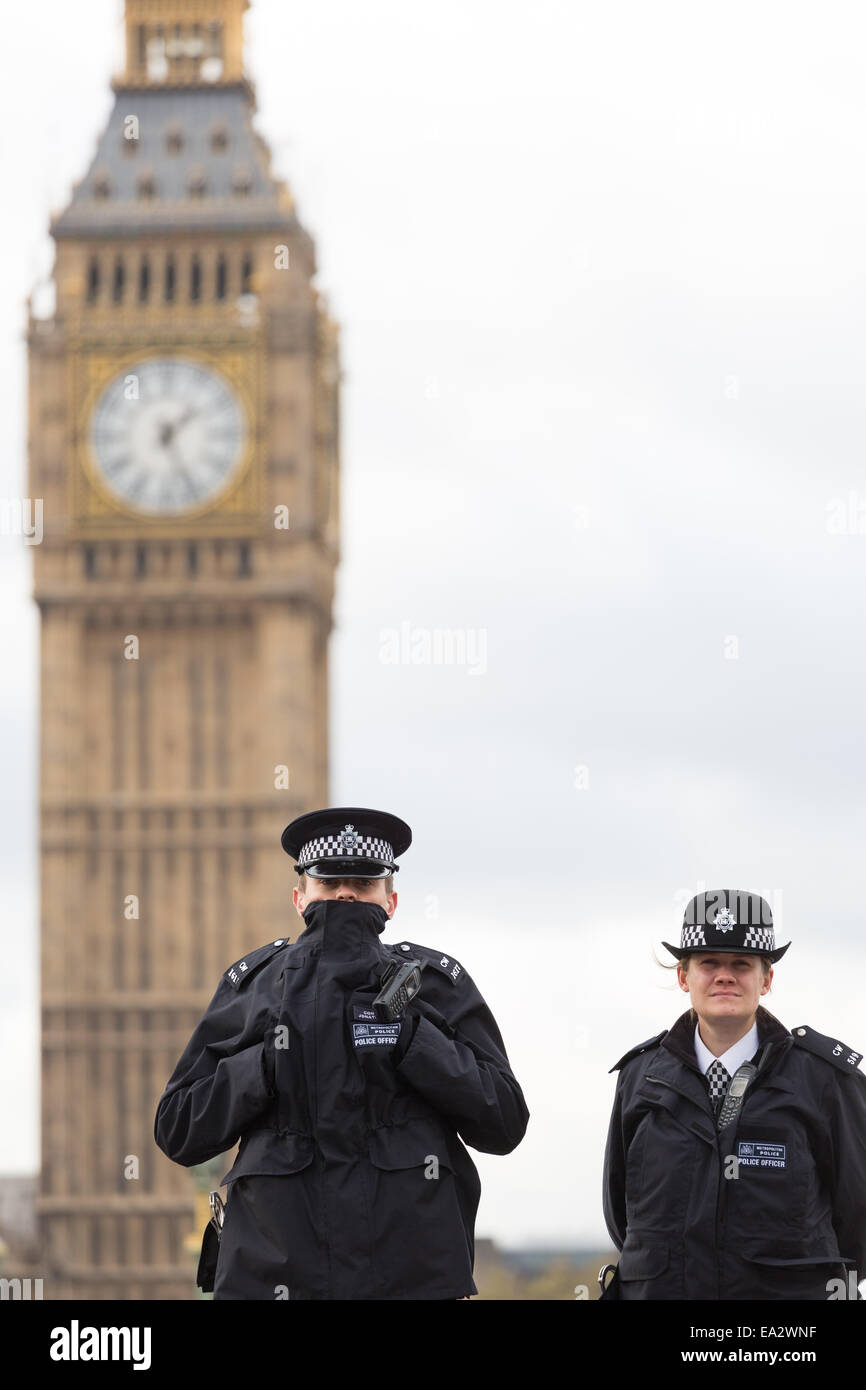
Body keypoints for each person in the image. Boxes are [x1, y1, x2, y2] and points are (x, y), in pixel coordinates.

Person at [154, 807, 529, 1300]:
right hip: (277, 1281)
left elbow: (503, 1121)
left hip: (409, 1282)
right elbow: (178, 1129)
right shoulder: (254, 987)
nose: (346, 895)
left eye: (363, 883)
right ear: (299, 896)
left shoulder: (433, 986)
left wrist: (414, 1040)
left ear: (391, 900)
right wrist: (266, 1065)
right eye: (329, 883)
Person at [602, 888, 866, 1300]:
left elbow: (857, 1224)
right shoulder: (640, 1078)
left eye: (741, 964)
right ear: (683, 976)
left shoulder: (825, 1080)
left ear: (767, 979)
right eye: (709, 963)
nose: (725, 975)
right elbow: (624, 1219)